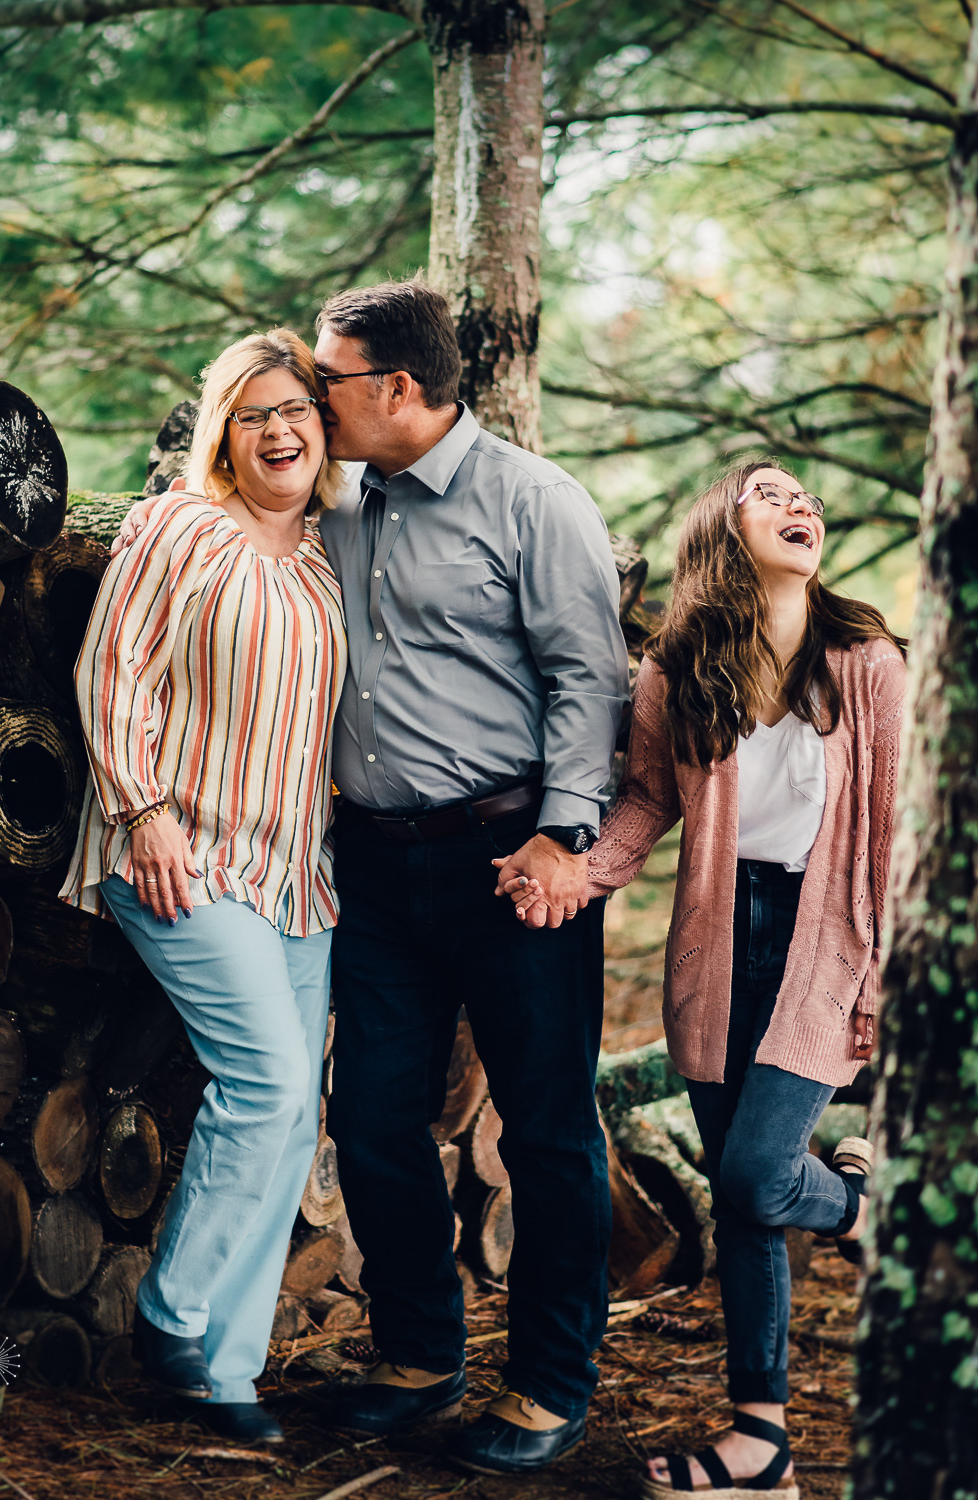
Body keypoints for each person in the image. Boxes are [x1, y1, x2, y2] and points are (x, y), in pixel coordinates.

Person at [117, 278, 631, 1475]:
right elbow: (219, 541)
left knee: (550, 1134)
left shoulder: (534, 501)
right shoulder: (340, 501)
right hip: (373, 871)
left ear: (395, 388)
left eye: (328, 379)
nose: (311, 398)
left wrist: (567, 838)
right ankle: (416, 1355)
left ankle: (553, 1385)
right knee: (374, 1118)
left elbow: (590, 683)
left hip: (515, 861)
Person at [500, 459, 905, 1498]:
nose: (800, 504)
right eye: (771, 494)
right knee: (748, 1211)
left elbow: (904, 831)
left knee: (758, 1174)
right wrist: (574, 870)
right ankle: (761, 1440)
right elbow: (643, 802)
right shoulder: (678, 672)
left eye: (806, 496)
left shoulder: (864, 661)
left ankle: (873, 1208)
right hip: (721, 947)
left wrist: (890, 976)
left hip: (832, 938)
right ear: (722, 531)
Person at [61, 328, 347, 1445]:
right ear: (222, 433)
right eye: (253, 412)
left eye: (298, 412)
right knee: (268, 1081)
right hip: (175, 851)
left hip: (294, 874)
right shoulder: (176, 525)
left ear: (324, 431)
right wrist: (144, 808)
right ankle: (173, 1318)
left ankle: (222, 1376)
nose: (279, 429)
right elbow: (111, 665)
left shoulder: (331, 554)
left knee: (292, 1117)